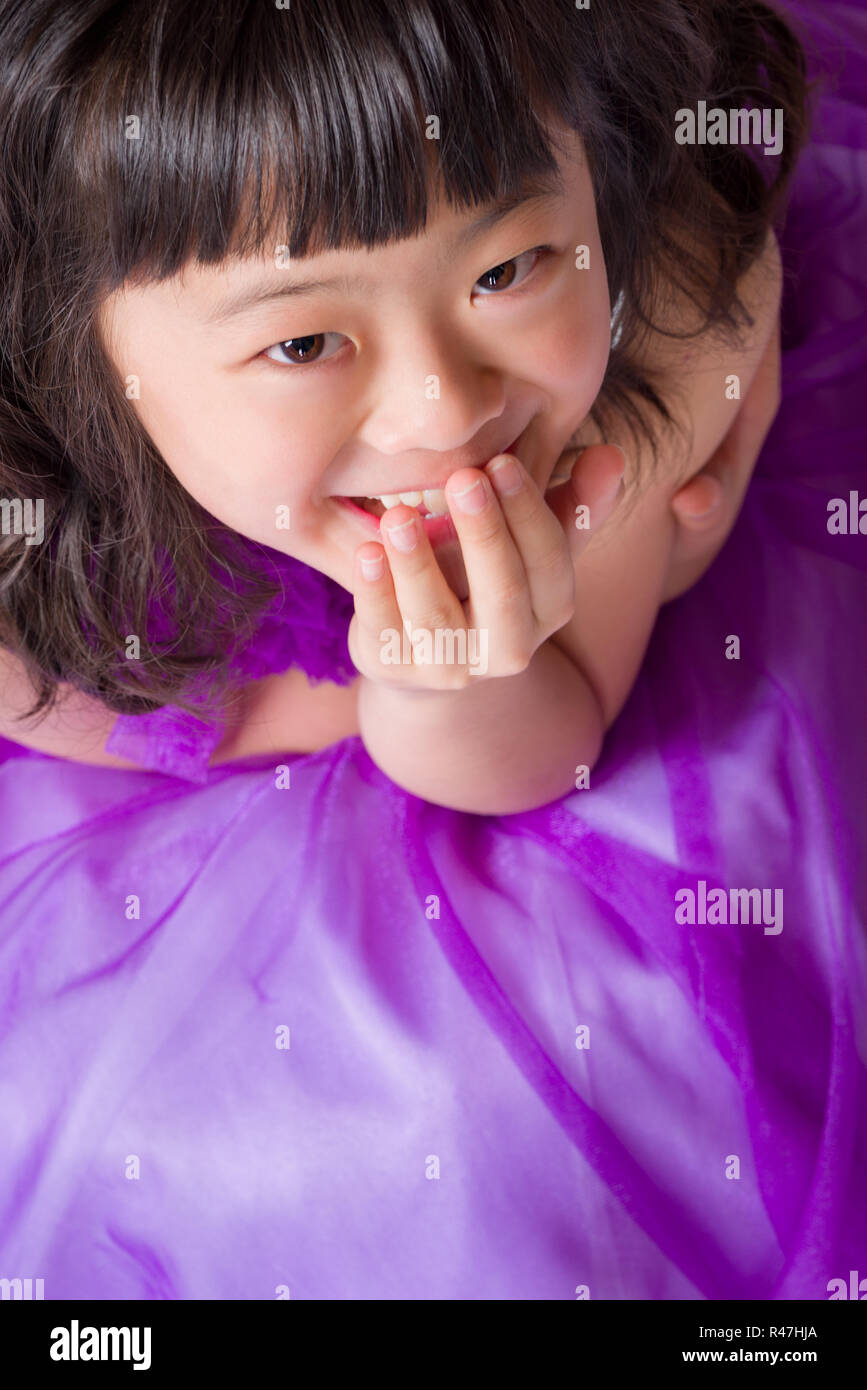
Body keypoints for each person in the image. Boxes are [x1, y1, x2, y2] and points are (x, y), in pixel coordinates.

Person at [0, 0, 864, 1301]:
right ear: (73, 345)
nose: (446, 409)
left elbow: (549, 743)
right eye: (302, 342)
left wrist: (439, 676)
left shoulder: (612, 382)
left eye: (508, 270)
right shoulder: (30, 546)